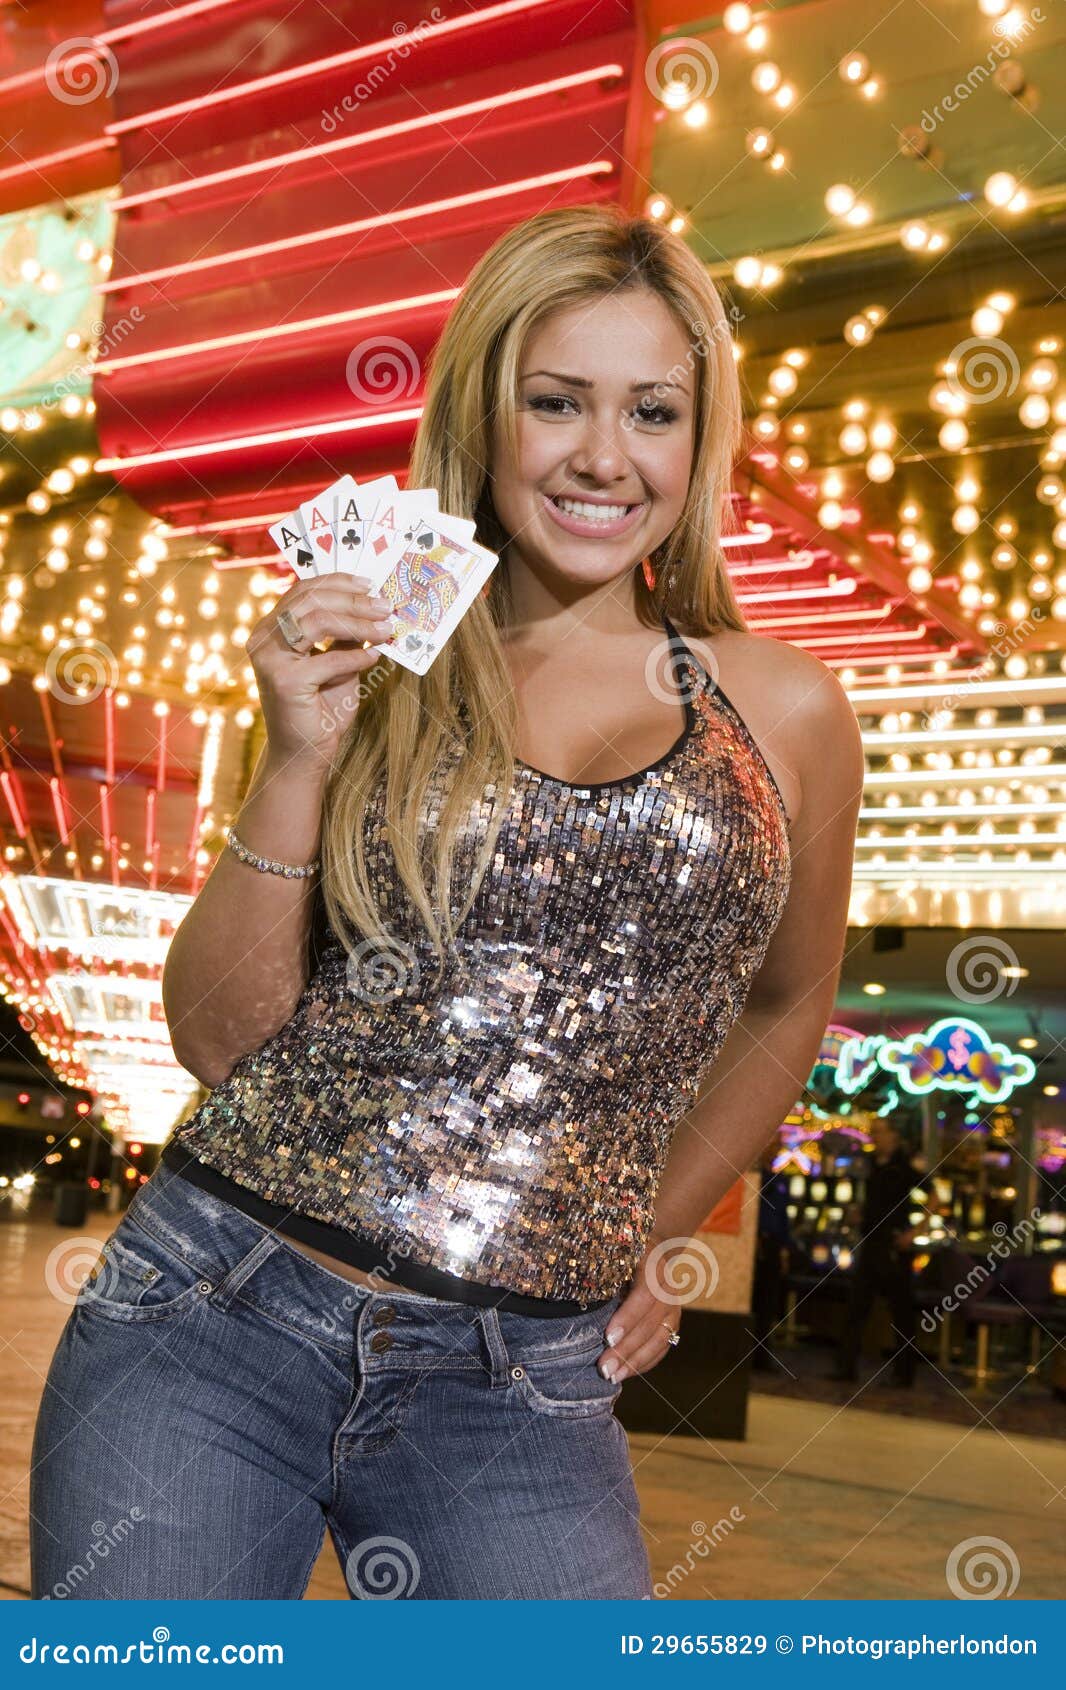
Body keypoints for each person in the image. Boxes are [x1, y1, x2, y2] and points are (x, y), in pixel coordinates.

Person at [30, 205, 864, 1600]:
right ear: (486, 412)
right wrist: (299, 750)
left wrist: (652, 1219)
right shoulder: (370, 653)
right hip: (210, 1311)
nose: (604, 455)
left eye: (651, 410)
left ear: (697, 439)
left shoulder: (786, 713)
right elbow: (223, 1040)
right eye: (556, 402)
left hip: (520, 1381)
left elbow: (789, 998)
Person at [831, 1121, 924, 1387]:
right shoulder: (870, 1164)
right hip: (870, 1242)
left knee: (901, 1311)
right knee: (856, 1307)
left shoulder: (904, 1166)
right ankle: (846, 1367)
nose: (875, 1136)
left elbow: (936, 1198)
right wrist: (858, 1213)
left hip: (894, 1246)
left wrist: (913, 1232)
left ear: (894, 1135)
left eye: (881, 1131)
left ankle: (905, 1374)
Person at [750, 1138, 793, 1372]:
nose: (775, 1150)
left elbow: (783, 1219)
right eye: (772, 1144)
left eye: (778, 1146)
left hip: (774, 1246)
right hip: (754, 1245)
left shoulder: (779, 1181)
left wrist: (785, 1249)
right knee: (754, 1302)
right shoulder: (752, 1177)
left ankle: (762, 1355)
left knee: (768, 1303)